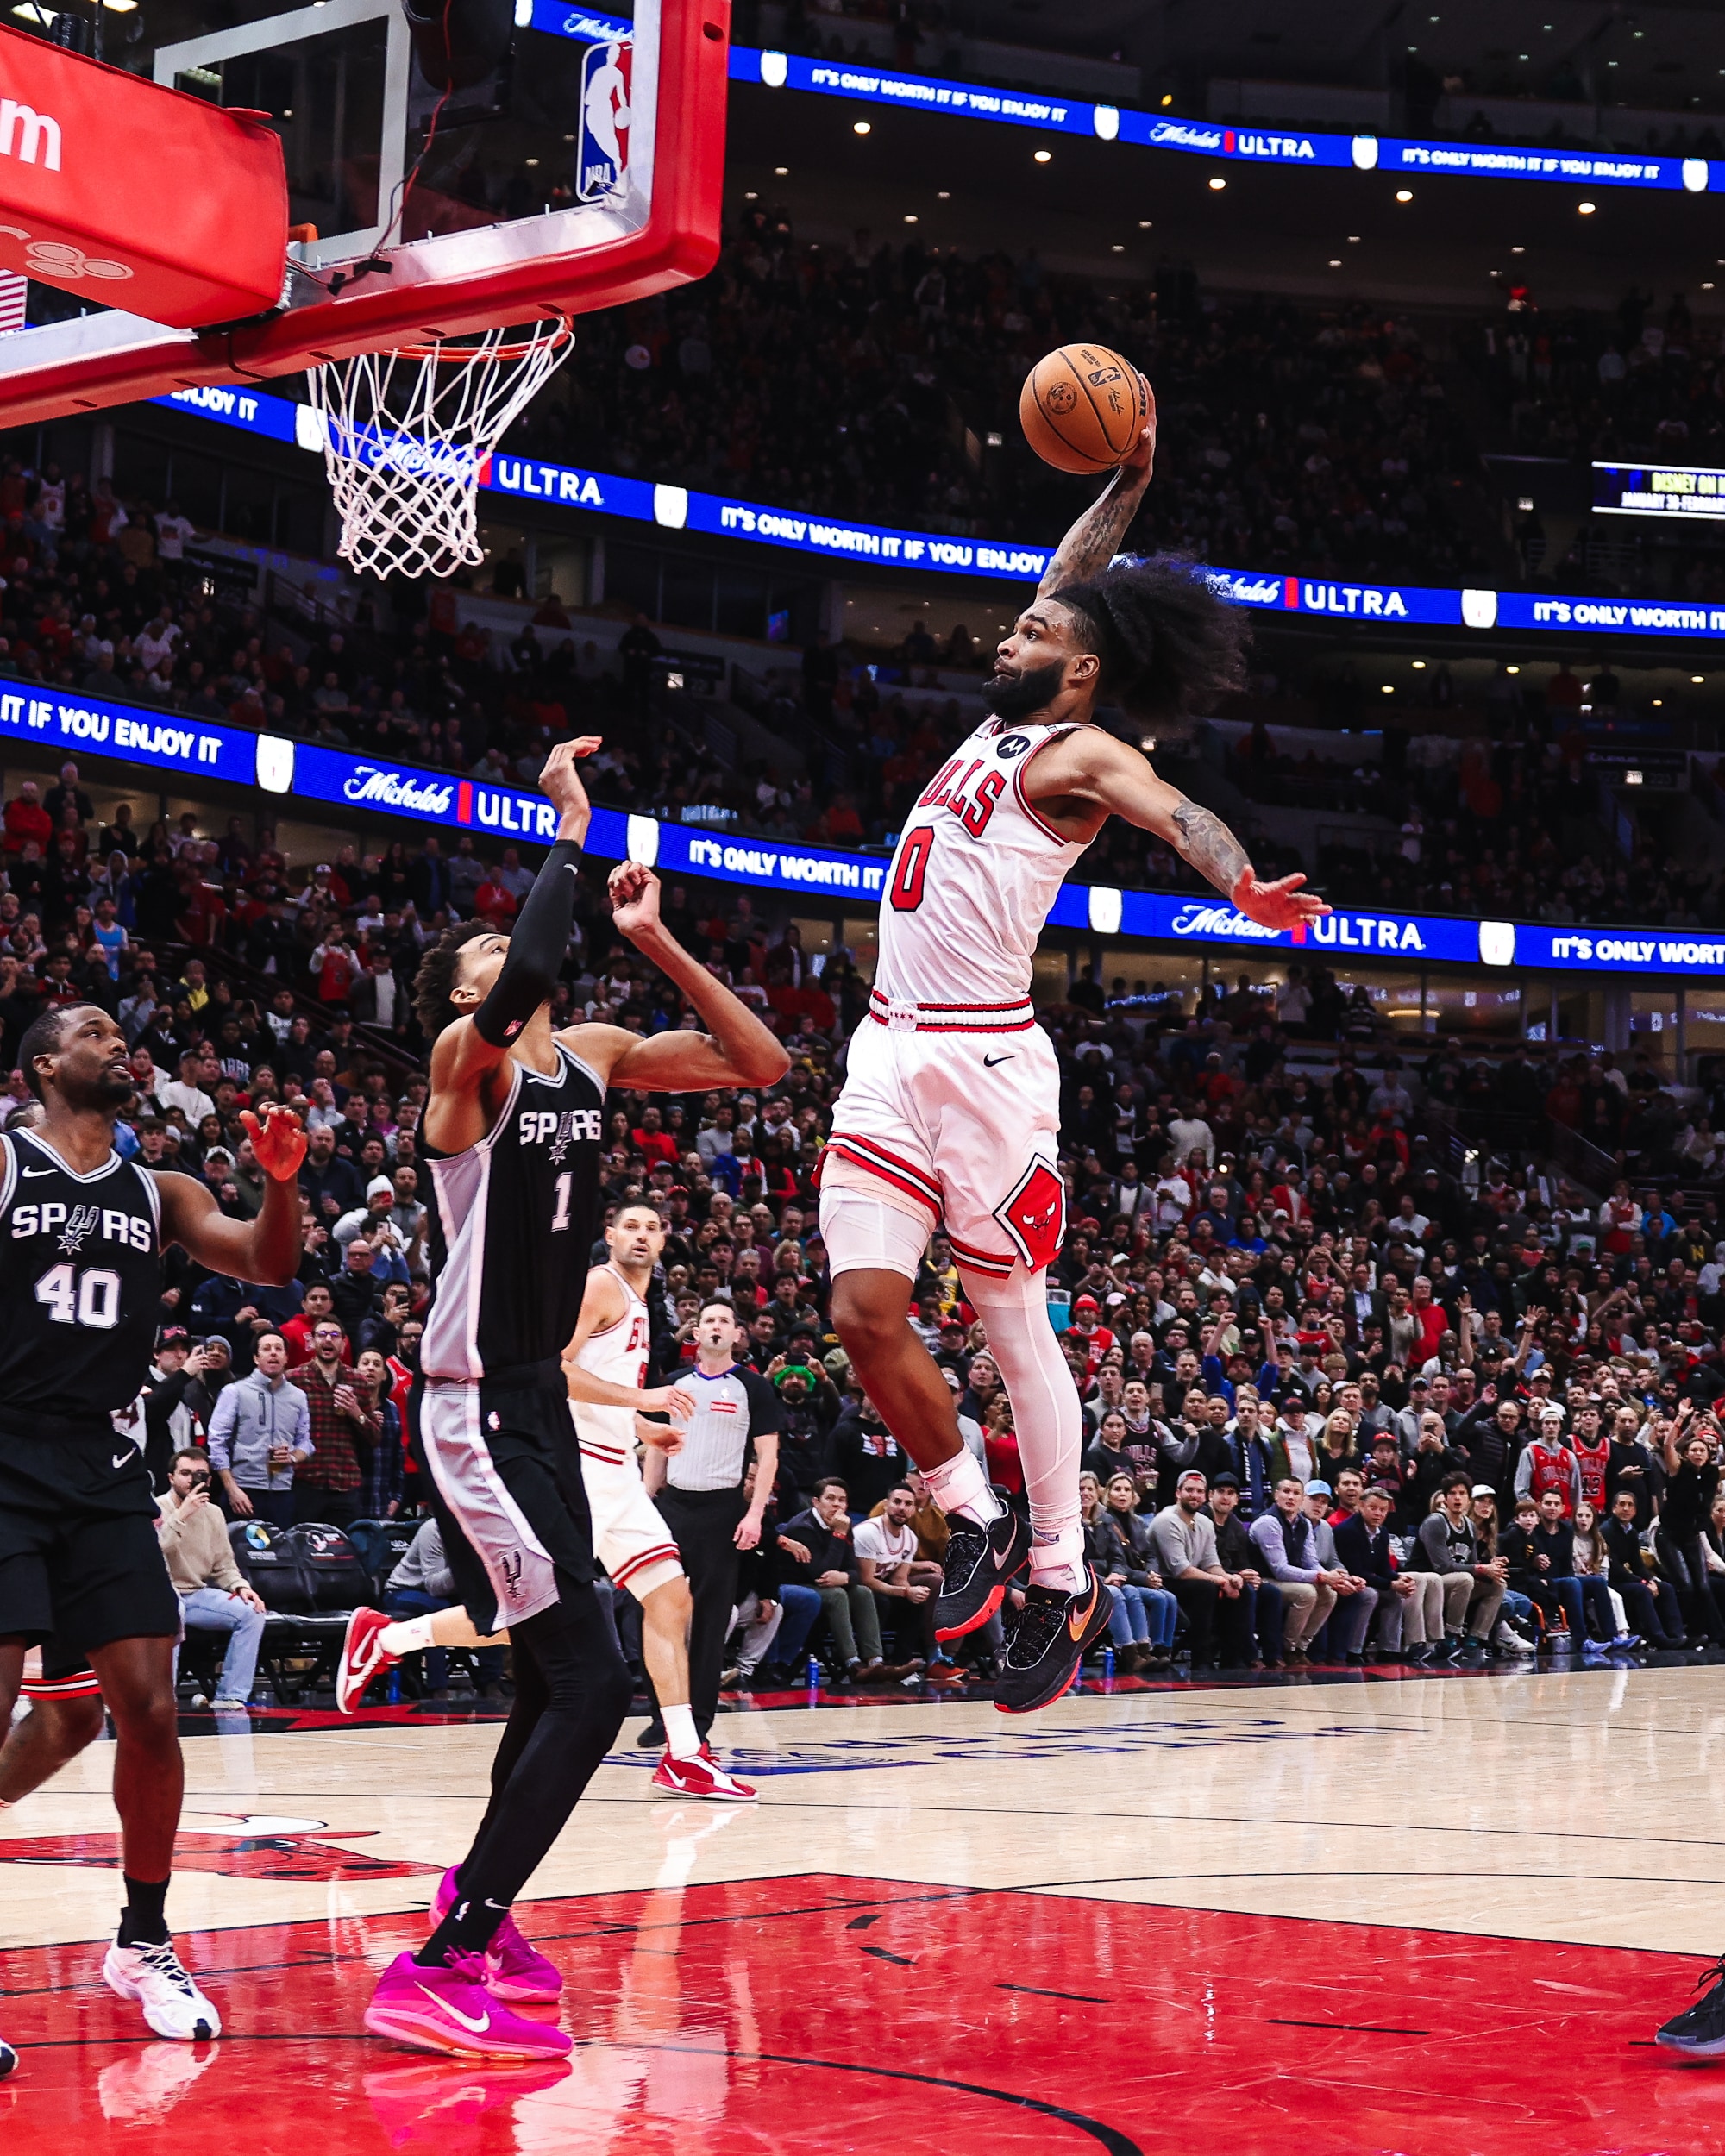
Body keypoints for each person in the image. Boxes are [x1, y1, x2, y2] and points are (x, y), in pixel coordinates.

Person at [819, 428, 1329, 1714]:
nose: (1006, 636)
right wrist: (1131, 485)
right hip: (890, 1044)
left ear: (1079, 667)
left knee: (1008, 1321)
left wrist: (1240, 882)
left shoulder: (1080, 754)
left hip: (989, 1067)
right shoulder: (1003, 723)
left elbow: (1179, 810)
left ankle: (1062, 1568)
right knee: (862, 1317)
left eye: (1030, 631)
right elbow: (1073, 573)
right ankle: (974, 1516)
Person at [330, 743, 787, 2060]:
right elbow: (523, 968)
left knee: (553, 1677)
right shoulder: (462, 1080)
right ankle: (442, 1958)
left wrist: (657, 942)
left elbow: (754, 1064)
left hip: (533, 1409)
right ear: (468, 1003)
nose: (511, 969)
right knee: (590, 1685)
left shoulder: (586, 1055)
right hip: (471, 1405)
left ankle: (478, 1907)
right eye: (487, 968)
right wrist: (569, 838)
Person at [0, 1005, 305, 2060]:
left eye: (114, 1029)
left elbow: (268, 1261)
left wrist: (278, 1179)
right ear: (43, 1066)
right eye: (89, 1031)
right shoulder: (4, 1161)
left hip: (100, 1467)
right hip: (2, 1455)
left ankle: (142, 1937)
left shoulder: (158, 1190)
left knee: (149, 1709)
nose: (114, 1038)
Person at [563, 1202, 756, 1800]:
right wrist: (645, 1401)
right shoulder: (601, 1285)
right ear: (609, 1234)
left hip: (616, 1468)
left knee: (672, 1599)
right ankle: (391, 1638)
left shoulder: (645, 1303)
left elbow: (598, 1392)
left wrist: (643, 1431)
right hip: (579, 1473)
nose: (642, 1235)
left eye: (653, 1227)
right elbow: (555, 1371)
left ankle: (682, 1753)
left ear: (665, 1239)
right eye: (631, 1226)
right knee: (527, 1618)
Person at [642, 1301, 781, 1751]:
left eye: (725, 1321)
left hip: (723, 1513)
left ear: (738, 1334)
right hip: (675, 1508)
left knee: (709, 1621)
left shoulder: (753, 1388)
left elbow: (768, 1456)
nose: (717, 1328)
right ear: (695, 1334)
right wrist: (646, 1500)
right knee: (659, 1612)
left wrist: (755, 1513)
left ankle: (697, 1720)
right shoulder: (672, 1385)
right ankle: (662, 1713)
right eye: (709, 1322)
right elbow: (659, 1446)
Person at [156, 1448, 268, 1708]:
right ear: (171, 1478)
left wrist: (240, 1586)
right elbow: (158, 1550)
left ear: (208, 1481)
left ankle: (231, 1696)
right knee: (173, 1612)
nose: (191, 1480)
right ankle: (163, 1698)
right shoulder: (155, 1508)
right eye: (185, 1473)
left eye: (199, 1475)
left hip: (196, 1594)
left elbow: (223, 1565)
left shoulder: (214, 1513)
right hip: (160, 1593)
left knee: (252, 1612)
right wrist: (182, 1514)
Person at [206, 1330, 311, 1527]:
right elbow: (216, 1442)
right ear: (256, 1358)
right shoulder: (235, 1392)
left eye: (278, 1348)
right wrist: (231, 1489)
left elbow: (305, 1441)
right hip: (243, 1489)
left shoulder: (299, 1397)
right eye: (266, 1348)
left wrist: (293, 1457)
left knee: (280, 1556)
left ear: (286, 1357)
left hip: (282, 1492)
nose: (273, 1353)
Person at [1416, 1474, 1508, 1666]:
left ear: (1468, 1499)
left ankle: (1475, 1639)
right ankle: (1451, 1636)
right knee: (1466, 1578)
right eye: (1453, 1494)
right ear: (1446, 1498)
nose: (1457, 1498)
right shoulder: (1436, 1522)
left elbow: (1473, 1562)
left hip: (1454, 1584)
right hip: (1428, 1581)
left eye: (1462, 1494)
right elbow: (1442, 1567)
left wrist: (1492, 1567)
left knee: (1498, 1584)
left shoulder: (1470, 1526)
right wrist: (1481, 1568)